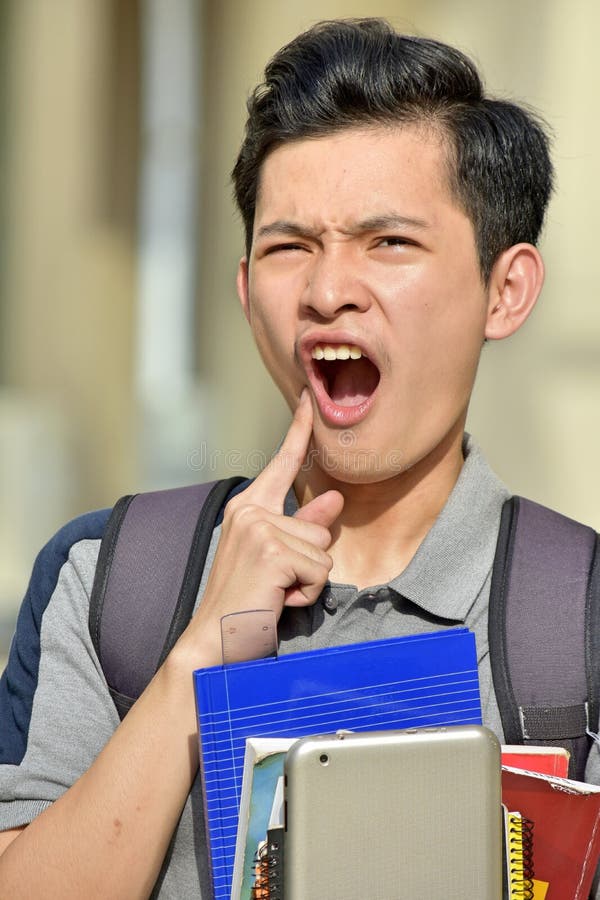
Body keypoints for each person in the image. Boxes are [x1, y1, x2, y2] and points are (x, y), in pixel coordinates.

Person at [0, 16, 594, 899]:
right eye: (289, 247)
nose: (326, 292)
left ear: (505, 291)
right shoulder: (110, 579)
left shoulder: (580, 619)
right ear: (246, 293)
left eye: (388, 242)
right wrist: (195, 659)